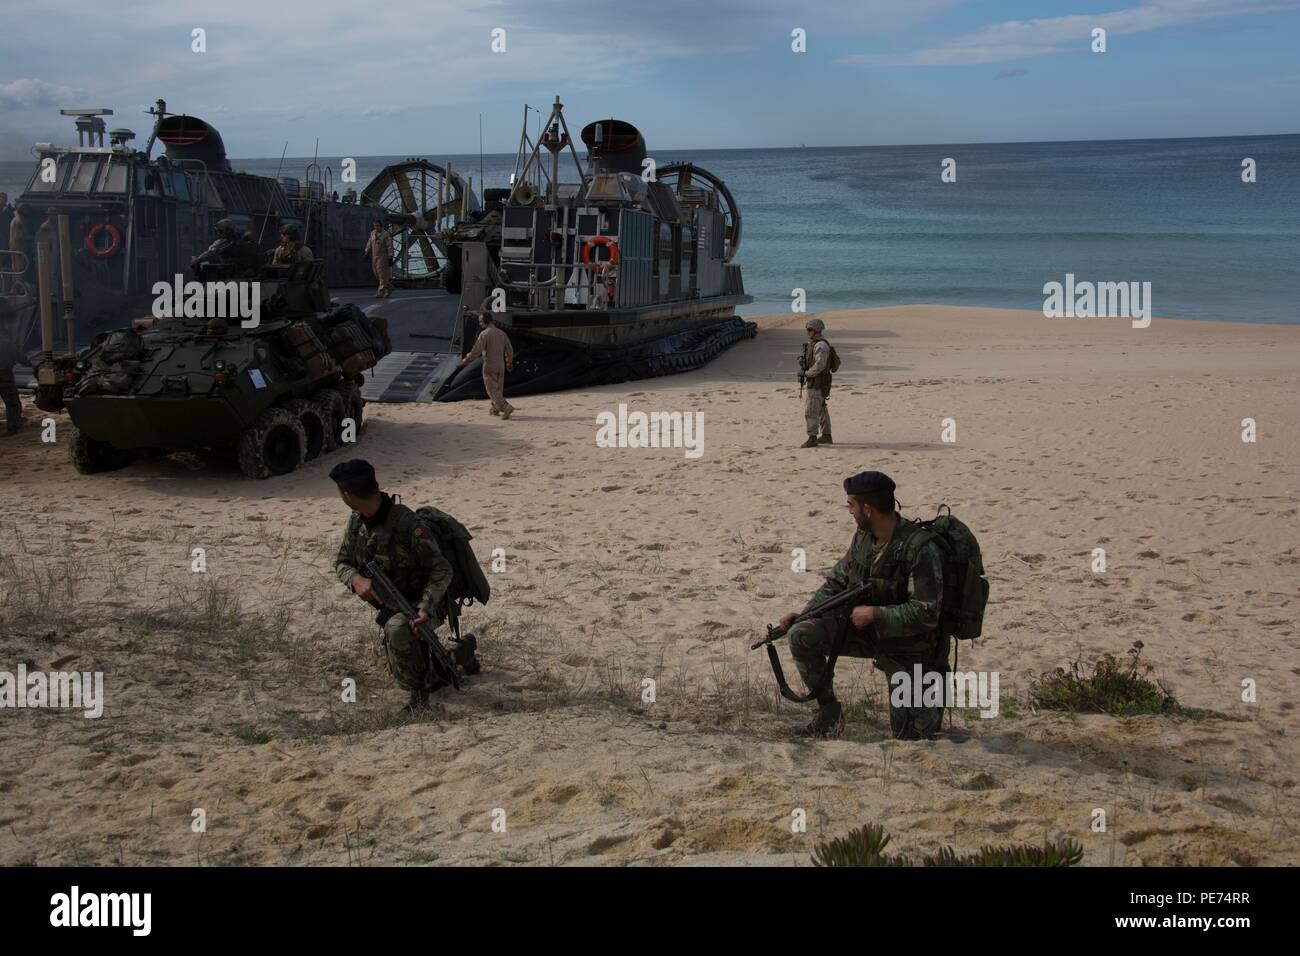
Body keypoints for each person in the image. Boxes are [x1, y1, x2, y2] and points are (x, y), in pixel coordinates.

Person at [780, 471, 947, 740]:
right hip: (865, 630)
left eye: (852, 506)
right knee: (802, 635)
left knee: (912, 735)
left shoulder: (919, 549)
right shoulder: (863, 538)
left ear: (867, 509)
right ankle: (828, 716)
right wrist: (805, 614)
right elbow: (836, 581)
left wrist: (876, 614)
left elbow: (927, 613)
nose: (850, 512)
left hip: (911, 647)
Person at [331, 459, 478, 712]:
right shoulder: (357, 522)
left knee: (397, 629)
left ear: (347, 495)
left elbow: (442, 570)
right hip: (395, 601)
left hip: (429, 602)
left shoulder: (408, 525)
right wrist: (356, 579)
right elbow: (343, 562)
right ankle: (458, 656)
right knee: (401, 639)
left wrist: (425, 607)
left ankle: (419, 697)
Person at [458, 312, 515, 418]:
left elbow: (476, 351)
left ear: (485, 321)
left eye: (480, 321)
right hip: (501, 365)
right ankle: (495, 409)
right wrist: (509, 361)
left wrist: (466, 360)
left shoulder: (484, 334)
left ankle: (506, 406)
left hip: (489, 364)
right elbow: (509, 349)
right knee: (498, 389)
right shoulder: (502, 333)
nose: (479, 324)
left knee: (491, 390)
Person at [800, 317, 834, 448]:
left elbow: (820, 365)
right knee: (821, 408)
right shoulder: (817, 344)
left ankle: (812, 437)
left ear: (817, 330)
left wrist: (806, 373)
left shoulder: (820, 345)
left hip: (817, 382)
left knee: (811, 410)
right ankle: (826, 435)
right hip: (820, 381)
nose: (808, 332)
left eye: (810, 330)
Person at [363, 220, 393, 297]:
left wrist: (390, 256)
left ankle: (381, 292)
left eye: (377, 226)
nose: (376, 227)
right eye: (375, 226)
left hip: (383, 256)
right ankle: (389, 286)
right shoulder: (373, 233)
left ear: (380, 226)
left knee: (382, 274)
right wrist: (366, 253)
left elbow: (389, 246)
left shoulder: (385, 234)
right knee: (377, 274)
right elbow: (369, 243)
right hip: (374, 256)